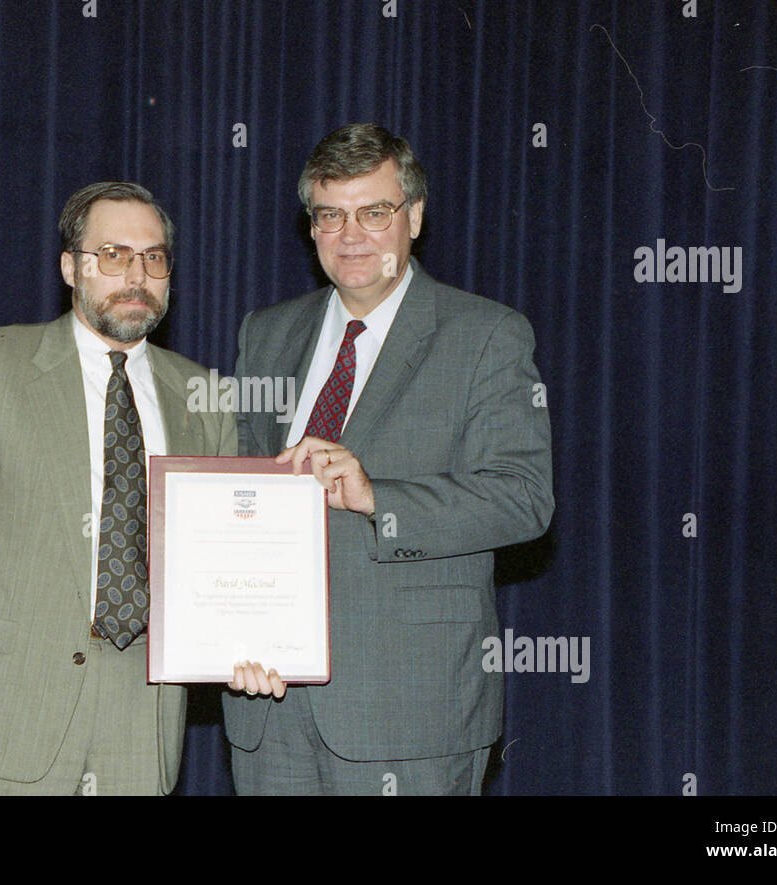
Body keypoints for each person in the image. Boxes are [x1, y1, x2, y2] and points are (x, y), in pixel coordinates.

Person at [0, 181, 242, 795]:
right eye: (114, 255)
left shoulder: (205, 398)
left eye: (153, 258)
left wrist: (253, 639)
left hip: (140, 729)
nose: (136, 275)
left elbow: (221, 564)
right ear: (71, 267)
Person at [221, 123, 554, 795]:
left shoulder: (486, 334)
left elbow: (524, 498)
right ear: (310, 226)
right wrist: (229, 629)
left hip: (411, 711)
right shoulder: (266, 332)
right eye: (330, 215)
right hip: (269, 708)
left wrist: (379, 497)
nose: (351, 236)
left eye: (374, 212)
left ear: (415, 216)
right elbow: (241, 503)